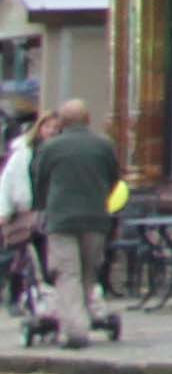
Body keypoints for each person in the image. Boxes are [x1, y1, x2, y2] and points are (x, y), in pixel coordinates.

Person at [28, 98, 121, 343]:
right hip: (95, 218)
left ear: (62, 123)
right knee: (89, 271)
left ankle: (75, 329)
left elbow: (39, 182)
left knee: (68, 273)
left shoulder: (50, 148)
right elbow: (114, 178)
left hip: (61, 218)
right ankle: (86, 314)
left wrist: (41, 207)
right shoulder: (104, 146)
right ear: (88, 120)